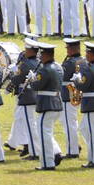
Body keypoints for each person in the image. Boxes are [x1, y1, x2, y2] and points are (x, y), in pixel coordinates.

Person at [73, 42, 94, 168]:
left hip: (91, 103)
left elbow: (83, 85)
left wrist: (76, 80)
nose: (86, 55)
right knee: (84, 128)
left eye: (88, 53)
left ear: (92, 54)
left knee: (92, 132)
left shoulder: (89, 69)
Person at [32, 41, 64, 170]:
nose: (40, 57)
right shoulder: (58, 66)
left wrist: (32, 79)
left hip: (47, 104)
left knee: (43, 134)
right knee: (47, 133)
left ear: (46, 55)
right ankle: (54, 154)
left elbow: (36, 86)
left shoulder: (45, 69)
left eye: (42, 54)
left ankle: (47, 163)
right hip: (56, 102)